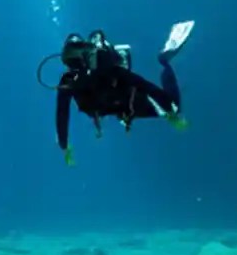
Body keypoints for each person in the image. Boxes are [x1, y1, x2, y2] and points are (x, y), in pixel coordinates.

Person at [54, 22, 193, 165]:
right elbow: (62, 114)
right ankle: (169, 100)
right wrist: (64, 146)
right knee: (172, 107)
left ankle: (164, 59)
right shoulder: (69, 81)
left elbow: (142, 85)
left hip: (128, 104)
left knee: (174, 106)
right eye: (71, 61)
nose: (76, 66)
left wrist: (170, 110)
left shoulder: (106, 70)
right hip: (119, 108)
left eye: (77, 59)